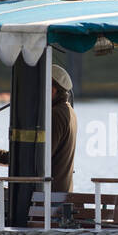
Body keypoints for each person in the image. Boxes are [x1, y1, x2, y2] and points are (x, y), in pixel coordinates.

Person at [50, 63, 77, 193]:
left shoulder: (55, 114)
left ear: (52, 90)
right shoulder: (69, 110)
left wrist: (0, 156)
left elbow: (40, 156)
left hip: (50, 195)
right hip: (63, 193)